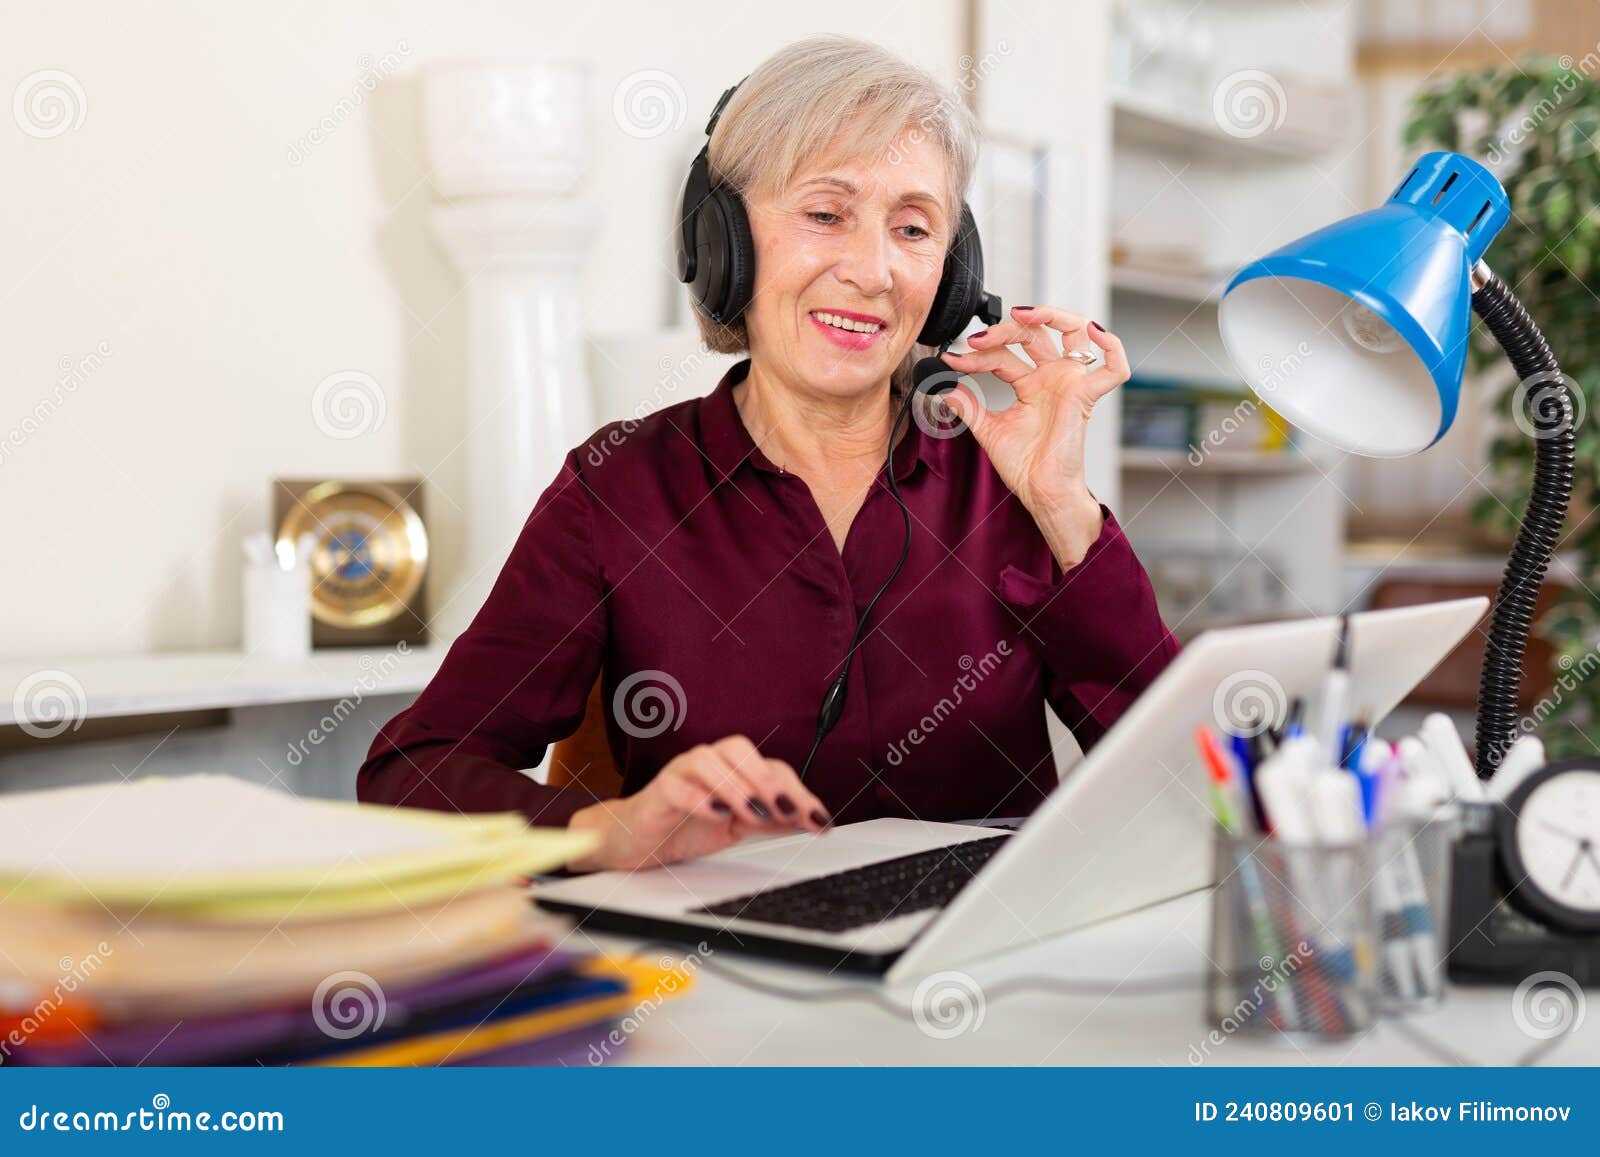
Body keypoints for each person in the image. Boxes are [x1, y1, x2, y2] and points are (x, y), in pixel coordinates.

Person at [358, 35, 1180, 871]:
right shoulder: (619, 488)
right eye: (825, 214)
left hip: (979, 972)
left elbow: (1190, 784)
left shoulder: (1008, 483)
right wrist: (607, 831)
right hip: (715, 978)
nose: (873, 270)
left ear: (955, 273)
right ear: (724, 245)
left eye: (913, 227)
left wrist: (1063, 509)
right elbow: (410, 773)